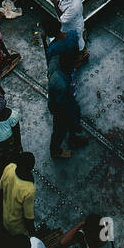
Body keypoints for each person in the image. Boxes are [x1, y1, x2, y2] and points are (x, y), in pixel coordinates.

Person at [44, 25, 88, 159]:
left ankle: (73, 137)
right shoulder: (60, 82)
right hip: (60, 106)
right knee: (60, 129)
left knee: (72, 118)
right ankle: (55, 150)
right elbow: (62, 105)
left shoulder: (59, 62)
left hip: (64, 99)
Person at [0, 154, 36, 237]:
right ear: (31, 168)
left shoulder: (10, 168)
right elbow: (28, 217)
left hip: (5, 217)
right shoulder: (29, 190)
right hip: (17, 228)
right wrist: (33, 236)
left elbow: (1, 187)